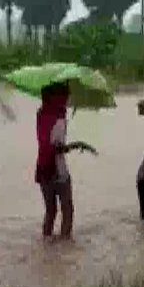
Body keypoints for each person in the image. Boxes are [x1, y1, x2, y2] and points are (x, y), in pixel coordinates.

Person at [35, 81, 96, 240]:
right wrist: (78, 144)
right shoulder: (59, 118)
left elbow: (47, 144)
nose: (68, 100)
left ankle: (46, 244)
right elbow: (58, 148)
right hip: (58, 170)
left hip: (42, 168)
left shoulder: (41, 115)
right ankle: (65, 247)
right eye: (66, 95)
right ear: (58, 97)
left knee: (50, 211)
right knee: (67, 210)